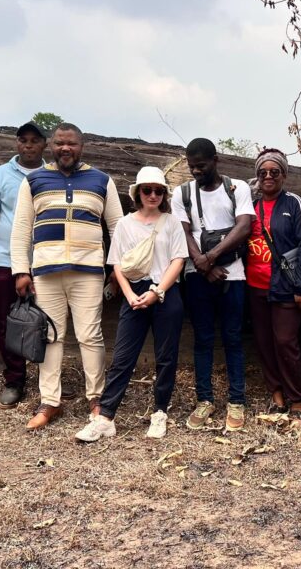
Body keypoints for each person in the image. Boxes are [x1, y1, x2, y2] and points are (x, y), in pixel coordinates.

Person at [10, 122, 124, 431]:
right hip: (46, 272)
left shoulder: (102, 180)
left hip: (88, 272)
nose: (65, 148)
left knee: (90, 335)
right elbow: (21, 229)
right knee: (50, 336)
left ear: (81, 146)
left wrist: (117, 269)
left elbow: (117, 227)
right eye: (60, 143)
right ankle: (50, 402)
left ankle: (96, 399)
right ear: (51, 146)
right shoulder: (34, 180)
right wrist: (21, 270)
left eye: (71, 143)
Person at [75, 167, 187, 442]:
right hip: (134, 292)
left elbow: (178, 260)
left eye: (158, 191)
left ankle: (160, 412)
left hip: (165, 290)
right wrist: (128, 295)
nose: (153, 195)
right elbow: (117, 264)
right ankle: (105, 416)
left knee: (165, 356)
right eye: (147, 190)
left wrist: (158, 292)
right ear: (137, 192)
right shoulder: (125, 224)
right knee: (123, 357)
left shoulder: (171, 223)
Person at [171, 138, 255, 432]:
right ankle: (204, 399)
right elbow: (183, 232)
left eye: (201, 166)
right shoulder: (181, 194)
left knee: (233, 338)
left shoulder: (237, 188)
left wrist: (213, 258)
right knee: (203, 339)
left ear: (215, 160)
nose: (195, 171)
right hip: (198, 278)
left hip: (233, 275)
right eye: (191, 166)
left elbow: (244, 226)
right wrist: (203, 265)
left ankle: (236, 400)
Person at [0, 121, 47, 407]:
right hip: (6, 261)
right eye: (23, 140)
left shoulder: (52, 175)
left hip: (45, 260)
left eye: (34, 140)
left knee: (47, 321)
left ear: (45, 144)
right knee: (9, 322)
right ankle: (14, 380)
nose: (28, 145)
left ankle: (48, 380)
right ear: (17, 144)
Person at [246, 149, 301, 425]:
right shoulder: (251, 206)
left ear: (284, 175)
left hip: (286, 286)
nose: (268, 176)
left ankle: (297, 398)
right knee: (263, 343)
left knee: (285, 342)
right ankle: (276, 395)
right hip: (255, 286)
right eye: (263, 172)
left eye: (274, 172)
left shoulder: (294, 203)